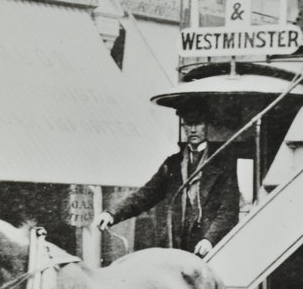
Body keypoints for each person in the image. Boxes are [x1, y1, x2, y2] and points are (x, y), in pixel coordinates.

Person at [94, 107, 240, 257]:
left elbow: (228, 211)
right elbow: (145, 194)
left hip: (209, 247)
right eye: (188, 124)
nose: (193, 129)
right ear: (183, 127)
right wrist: (112, 214)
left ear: (206, 126)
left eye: (198, 123)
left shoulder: (223, 163)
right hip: (178, 246)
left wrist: (209, 240)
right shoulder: (173, 164)